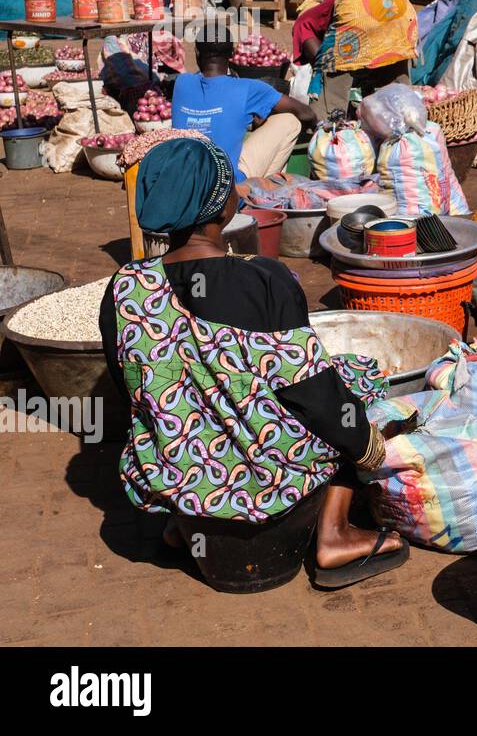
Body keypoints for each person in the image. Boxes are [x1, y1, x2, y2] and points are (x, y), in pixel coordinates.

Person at [100, 137, 409, 589]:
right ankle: (334, 533)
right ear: (219, 205)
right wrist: (368, 444)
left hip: (172, 473)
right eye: (231, 188)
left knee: (175, 399)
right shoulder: (264, 279)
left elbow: (129, 384)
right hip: (265, 480)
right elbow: (312, 393)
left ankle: (181, 524)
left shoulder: (124, 287)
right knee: (352, 378)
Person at [172, 24, 316, 186]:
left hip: (184, 181)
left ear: (197, 53)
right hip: (225, 185)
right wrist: (315, 122)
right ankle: (257, 189)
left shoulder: (182, 83)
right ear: (232, 54)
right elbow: (304, 112)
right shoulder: (248, 89)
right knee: (289, 121)